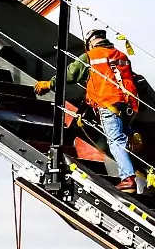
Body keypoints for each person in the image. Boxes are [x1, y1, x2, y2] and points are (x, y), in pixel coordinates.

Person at [37, 30, 141, 191]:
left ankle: (128, 178)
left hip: (108, 104)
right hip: (126, 105)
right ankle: (130, 132)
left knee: (115, 141)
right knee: (120, 130)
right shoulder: (120, 55)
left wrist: (49, 84)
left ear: (90, 43)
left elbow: (71, 75)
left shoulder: (91, 56)